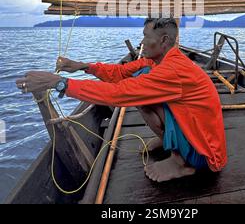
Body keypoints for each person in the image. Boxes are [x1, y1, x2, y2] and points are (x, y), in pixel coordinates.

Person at [16, 17, 227, 182]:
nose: (142, 42)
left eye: (146, 36)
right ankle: (168, 141)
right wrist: (82, 66)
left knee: (138, 92)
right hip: (194, 132)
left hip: (205, 155)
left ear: (163, 41)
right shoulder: (156, 61)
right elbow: (120, 72)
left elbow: (117, 94)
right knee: (140, 78)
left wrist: (59, 83)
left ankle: (182, 163)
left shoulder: (173, 70)